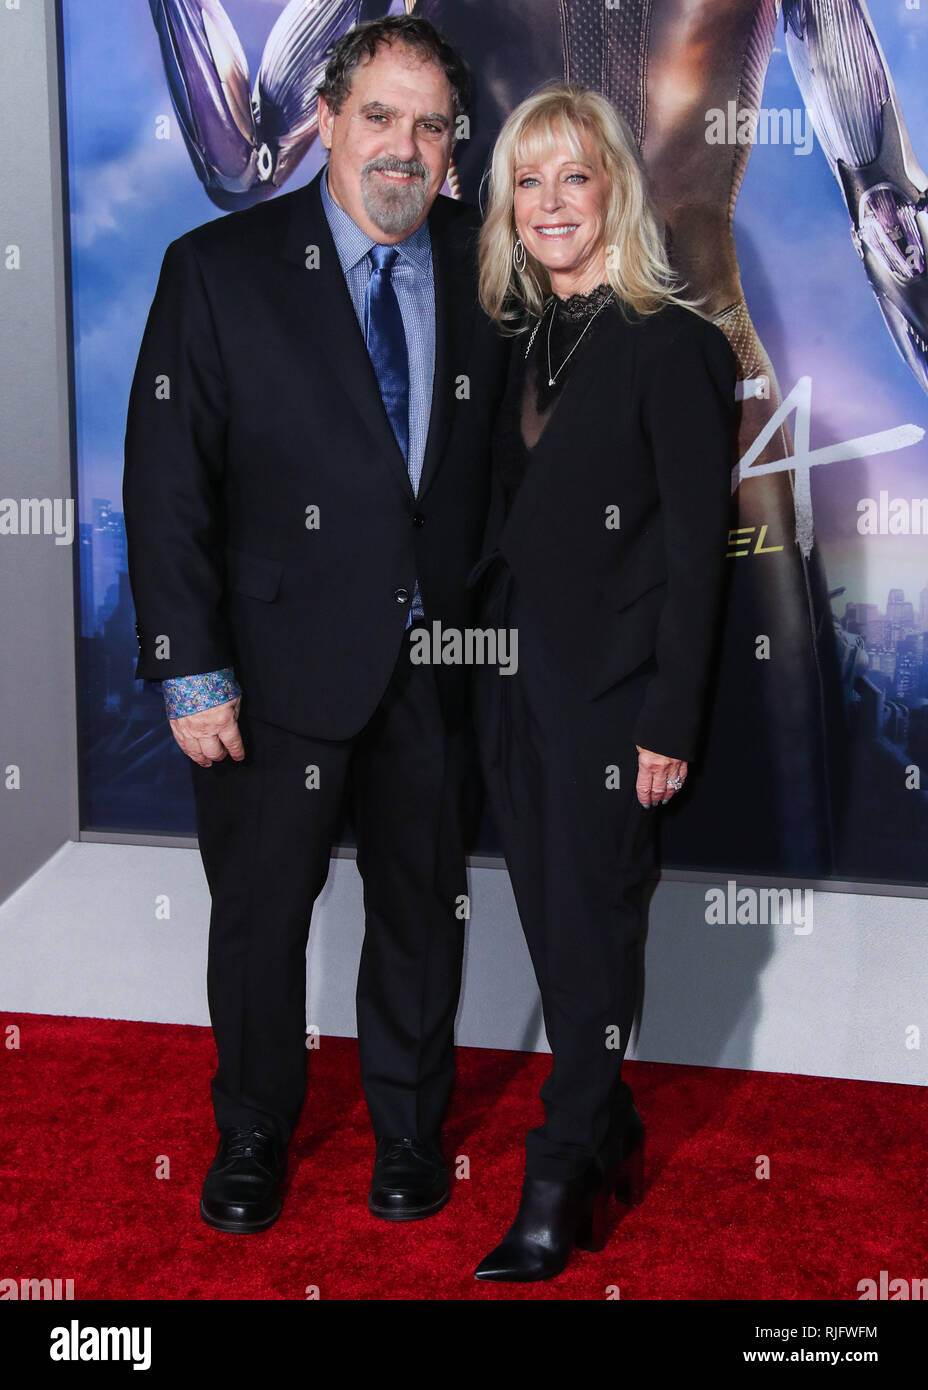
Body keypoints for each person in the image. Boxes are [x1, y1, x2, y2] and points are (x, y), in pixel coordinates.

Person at [123, 14, 505, 1233]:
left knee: (419, 910)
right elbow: (167, 484)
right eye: (379, 117)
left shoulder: (483, 265)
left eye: (430, 125)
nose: (403, 148)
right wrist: (192, 672)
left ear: (454, 147)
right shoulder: (217, 270)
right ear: (326, 122)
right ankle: (249, 1134)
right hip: (272, 672)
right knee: (260, 918)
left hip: (436, 667)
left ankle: (407, 1129)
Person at [470, 83, 738, 1281]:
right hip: (502, 692)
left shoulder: (673, 344)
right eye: (528, 181)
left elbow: (697, 554)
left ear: (614, 189)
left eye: (573, 176)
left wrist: (667, 718)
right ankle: (612, 1119)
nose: (550, 203)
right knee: (550, 926)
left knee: (591, 936)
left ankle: (560, 1164)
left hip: (613, 704)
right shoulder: (507, 343)